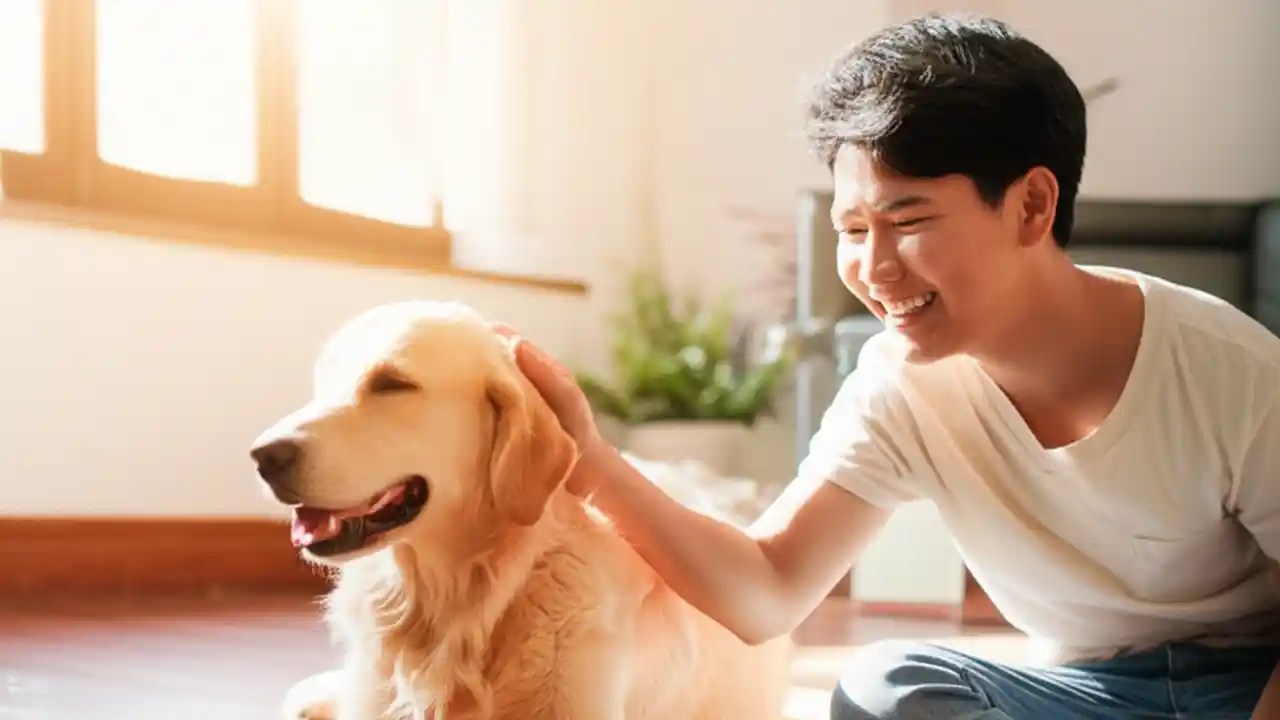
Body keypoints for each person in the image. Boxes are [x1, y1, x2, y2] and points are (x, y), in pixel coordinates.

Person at [500, 13, 1280, 719]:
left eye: (907, 220)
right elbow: (769, 587)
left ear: (1032, 206)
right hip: (1089, 692)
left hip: (1254, 678)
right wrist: (590, 460)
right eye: (851, 229)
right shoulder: (900, 384)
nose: (873, 268)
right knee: (888, 688)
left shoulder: (1230, 371)